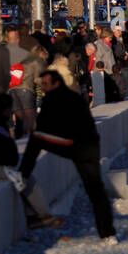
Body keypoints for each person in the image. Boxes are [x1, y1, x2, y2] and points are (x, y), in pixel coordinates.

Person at [19, 70, 118, 244]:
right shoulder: (74, 97)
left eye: (45, 84)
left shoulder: (52, 98)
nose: (42, 88)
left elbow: (42, 127)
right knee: (96, 190)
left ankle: (22, 177)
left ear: (55, 84)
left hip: (73, 144)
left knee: (36, 139)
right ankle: (108, 233)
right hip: (90, 147)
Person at [0, 94, 62, 229]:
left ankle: (32, 215)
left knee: (19, 180)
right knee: (25, 179)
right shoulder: (1, 125)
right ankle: (43, 215)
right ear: (6, 110)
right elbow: (11, 154)